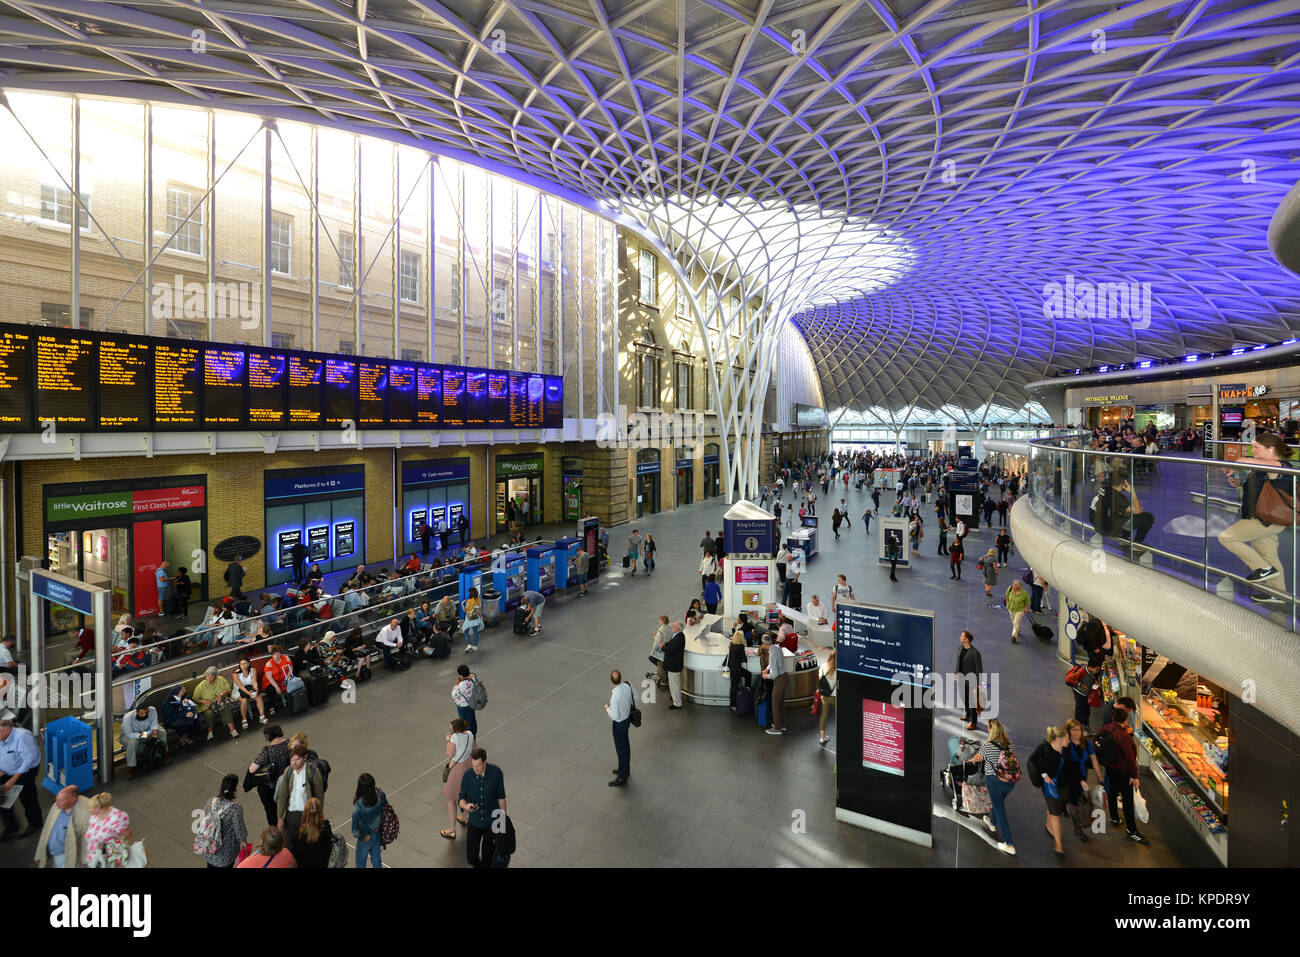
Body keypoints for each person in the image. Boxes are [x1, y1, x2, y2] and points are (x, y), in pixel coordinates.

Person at [1219, 433, 1294, 603]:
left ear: (1271, 449)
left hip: (1265, 521)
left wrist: (1237, 462)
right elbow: (1262, 489)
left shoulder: (1278, 465)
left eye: (1256, 447)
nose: (1252, 450)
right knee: (1269, 555)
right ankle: (1278, 594)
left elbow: (1243, 461)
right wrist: (1240, 483)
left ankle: (1262, 568)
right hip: (1265, 520)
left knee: (1227, 538)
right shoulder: (1263, 467)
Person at [1099, 698, 1150, 844]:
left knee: (1112, 793)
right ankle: (1132, 830)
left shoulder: (1106, 728)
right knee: (1127, 801)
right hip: (1123, 772)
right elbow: (1129, 758)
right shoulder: (1123, 736)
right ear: (1126, 719)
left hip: (1110, 767)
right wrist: (1134, 776)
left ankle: (1114, 817)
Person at [458, 749, 507, 868]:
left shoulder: (496, 773)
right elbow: (461, 799)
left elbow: (501, 798)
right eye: (473, 766)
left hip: (491, 822)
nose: (476, 769)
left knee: (488, 856)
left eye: (478, 766)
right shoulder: (468, 775)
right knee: (471, 857)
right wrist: (465, 806)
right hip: (474, 822)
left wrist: (502, 824)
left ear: (485, 762)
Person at [1028, 725, 1071, 860]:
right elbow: (1032, 761)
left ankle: (1048, 826)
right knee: (1055, 813)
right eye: (1067, 738)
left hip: (1063, 785)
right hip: (1049, 785)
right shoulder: (1044, 747)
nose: (1069, 741)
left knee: (1055, 809)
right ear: (1058, 738)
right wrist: (1043, 774)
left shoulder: (1066, 751)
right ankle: (1059, 845)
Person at [1062, 718, 1106, 844]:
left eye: (1079, 730)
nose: (1077, 732)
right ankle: (1077, 828)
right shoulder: (1067, 744)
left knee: (1074, 796)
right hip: (1070, 775)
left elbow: (1093, 759)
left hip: (1082, 774)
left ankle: (1064, 805)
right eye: (1074, 730)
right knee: (1074, 800)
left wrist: (1099, 775)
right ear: (1069, 731)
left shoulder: (1085, 743)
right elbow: (1068, 765)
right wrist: (1080, 779)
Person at [0, 717, 43, 839]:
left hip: (25, 770)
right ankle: (11, 826)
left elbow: (28, 760)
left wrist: (13, 780)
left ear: (8, 730)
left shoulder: (22, 737)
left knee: (27, 797)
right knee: (2, 798)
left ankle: (35, 823)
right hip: (5, 771)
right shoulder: (1, 736)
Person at [277, 743, 325, 845]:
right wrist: (280, 817)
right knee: (290, 843)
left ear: (305, 757)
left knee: (307, 842)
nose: (293, 763)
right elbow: (283, 795)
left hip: (307, 815)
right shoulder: (288, 771)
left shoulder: (313, 772)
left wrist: (319, 816)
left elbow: (319, 796)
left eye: (297, 759)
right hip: (291, 815)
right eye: (291, 760)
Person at [981, 719, 1018, 856]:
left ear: (991, 730)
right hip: (1010, 781)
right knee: (998, 803)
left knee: (1000, 810)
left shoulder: (987, 746)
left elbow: (978, 758)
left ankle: (1009, 844)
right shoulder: (1010, 744)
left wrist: (967, 760)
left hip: (994, 782)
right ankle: (991, 822)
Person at [35, 785, 90, 868]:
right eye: (57, 800)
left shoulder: (85, 813)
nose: (56, 804)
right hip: (55, 854)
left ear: (73, 799)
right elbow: (46, 830)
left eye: (61, 801)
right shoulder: (57, 807)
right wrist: (39, 853)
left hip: (67, 855)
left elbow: (85, 839)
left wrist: (84, 859)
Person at [201, 774, 249, 868]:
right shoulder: (235, 808)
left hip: (209, 849)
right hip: (226, 854)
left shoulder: (210, 802)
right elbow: (239, 831)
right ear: (234, 790)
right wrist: (244, 842)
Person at [248, 724, 289, 826]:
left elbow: (252, 769)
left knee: (271, 809)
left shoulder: (266, 751)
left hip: (272, 786)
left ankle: (275, 829)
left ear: (267, 736)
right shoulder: (289, 743)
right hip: (288, 780)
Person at [442, 718, 476, 838]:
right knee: (465, 795)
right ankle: (464, 817)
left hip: (456, 769)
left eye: (451, 730)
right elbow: (474, 749)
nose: (450, 732)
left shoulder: (454, 738)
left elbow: (449, 755)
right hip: (468, 766)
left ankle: (451, 829)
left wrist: (447, 741)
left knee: (451, 799)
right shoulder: (470, 735)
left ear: (456, 730)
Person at [120, 703, 170, 779]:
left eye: (146, 713)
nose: (144, 715)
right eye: (142, 713)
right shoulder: (128, 717)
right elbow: (129, 733)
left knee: (162, 732)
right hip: (129, 735)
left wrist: (154, 730)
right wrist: (142, 735)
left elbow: (154, 723)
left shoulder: (152, 710)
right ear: (136, 712)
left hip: (146, 731)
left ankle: (165, 754)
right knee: (133, 742)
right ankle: (130, 767)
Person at [83, 792, 132, 867]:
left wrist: (107, 845)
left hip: (109, 859)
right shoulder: (94, 815)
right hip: (94, 856)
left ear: (99, 808)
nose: (88, 809)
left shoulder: (117, 817)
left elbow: (128, 835)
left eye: (90, 808)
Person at [193, 665, 239, 740]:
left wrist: (220, 695)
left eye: (211, 676)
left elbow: (227, 689)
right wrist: (203, 701)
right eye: (207, 676)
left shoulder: (220, 679)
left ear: (215, 676)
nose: (209, 678)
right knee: (209, 714)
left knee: (225, 709)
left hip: (221, 702)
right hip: (207, 705)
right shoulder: (200, 687)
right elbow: (195, 699)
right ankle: (210, 732)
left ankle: (232, 730)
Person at [606, 670, 635, 787]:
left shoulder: (614, 696)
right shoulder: (628, 686)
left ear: (611, 681)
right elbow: (635, 697)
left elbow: (615, 716)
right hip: (627, 720)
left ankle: (622, 777)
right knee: (626, 745)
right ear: (621, 678)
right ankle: (625, 768)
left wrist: (608, 708)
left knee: (620, 749)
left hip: (619, 724)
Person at [287, 797, 333, 868]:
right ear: (320, 811)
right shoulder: (326, 829)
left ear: (305, 813)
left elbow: (295, 857)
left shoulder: (297, 836)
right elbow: (329, 849)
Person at [352, 773, 385, 867]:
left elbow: (354, 830)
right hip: (377, 833)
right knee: (376, 860)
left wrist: (362, 835)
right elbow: (385, 809)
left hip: (365, 837)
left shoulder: (359, 805)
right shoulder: (380, 794)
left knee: (360, 863)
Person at [956, 631, 983, 730]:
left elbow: (979, 669)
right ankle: (967, 714)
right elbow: (958, 662)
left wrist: (979, 683)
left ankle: (973, 722)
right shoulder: (960, 648)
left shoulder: (975, 653)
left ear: (967, 639)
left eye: (962, 636)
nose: (960, 637)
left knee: (972, 702)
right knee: (964, 698)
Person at [764, 631, 790, 735]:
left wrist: (766, 676)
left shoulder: (772, 653)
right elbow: (772, 664)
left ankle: (777, 728)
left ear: (765, 644)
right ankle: (783, 725)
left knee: (774, 704)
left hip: (779, 680)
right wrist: (767, 669)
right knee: (780, 703)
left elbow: (774, 675)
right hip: (785, 677)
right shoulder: (777, 648)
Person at [231, 656, 268, 729]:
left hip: (250, 689)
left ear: (248, 664)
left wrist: (256, 690)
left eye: (245, 663)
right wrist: (249, 693)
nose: (243, 666)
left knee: (258, 696)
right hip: (238, 691)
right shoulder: (235, 674)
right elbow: (240, 686)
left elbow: (254, 682)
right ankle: (244, 719)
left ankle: (262, 716)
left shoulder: (253, 670)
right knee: (243, 700)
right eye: (241, 664)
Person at [660, 622, 686, 710]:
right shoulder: (679, 635)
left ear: (678, 628)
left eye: (674, 626)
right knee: (675, 683)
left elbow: (671, 650)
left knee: (674, 683)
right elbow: (672, 645)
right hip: (675, 665)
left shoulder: (678, 638)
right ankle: (675, 696)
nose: (672, 627)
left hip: (673, 665)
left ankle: (677, 703)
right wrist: (666, 644)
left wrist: (663, 648)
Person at [452, 664, 480, 736]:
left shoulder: (463, 684)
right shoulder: (474, 676)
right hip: (472, 702)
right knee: (472, 720)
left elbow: (454, 695)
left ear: (460, 674)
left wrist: (457, 684)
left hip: (464, 706)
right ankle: (473, 734)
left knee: (465, 723)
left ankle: (469, 737)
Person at [727, 628, 750, 711]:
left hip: (731, 668)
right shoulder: (740, 647)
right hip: (737, 669)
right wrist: (744, 653)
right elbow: (745, 660)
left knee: (734, 685)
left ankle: (733, 704)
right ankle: (747, 688)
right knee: (736, 685)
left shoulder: (731, 645)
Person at [817, 650, 837, 745]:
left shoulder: (823, 666)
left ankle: (822, 737)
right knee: (841, 716)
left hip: (824, 695)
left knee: (824, 715)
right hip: (835, 696)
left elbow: (820, 679)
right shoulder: (838, 669)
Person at [462, 587, 483, 651]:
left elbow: (465, 610)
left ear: (470, 593)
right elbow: (480, 608)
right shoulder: (478, 599)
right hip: (476, 617)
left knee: (465, 630)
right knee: (475, 631)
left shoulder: (469, 601)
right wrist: (480, 616)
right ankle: (475, 646)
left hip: (469, 618)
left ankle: (469, 644)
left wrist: (462, 604)